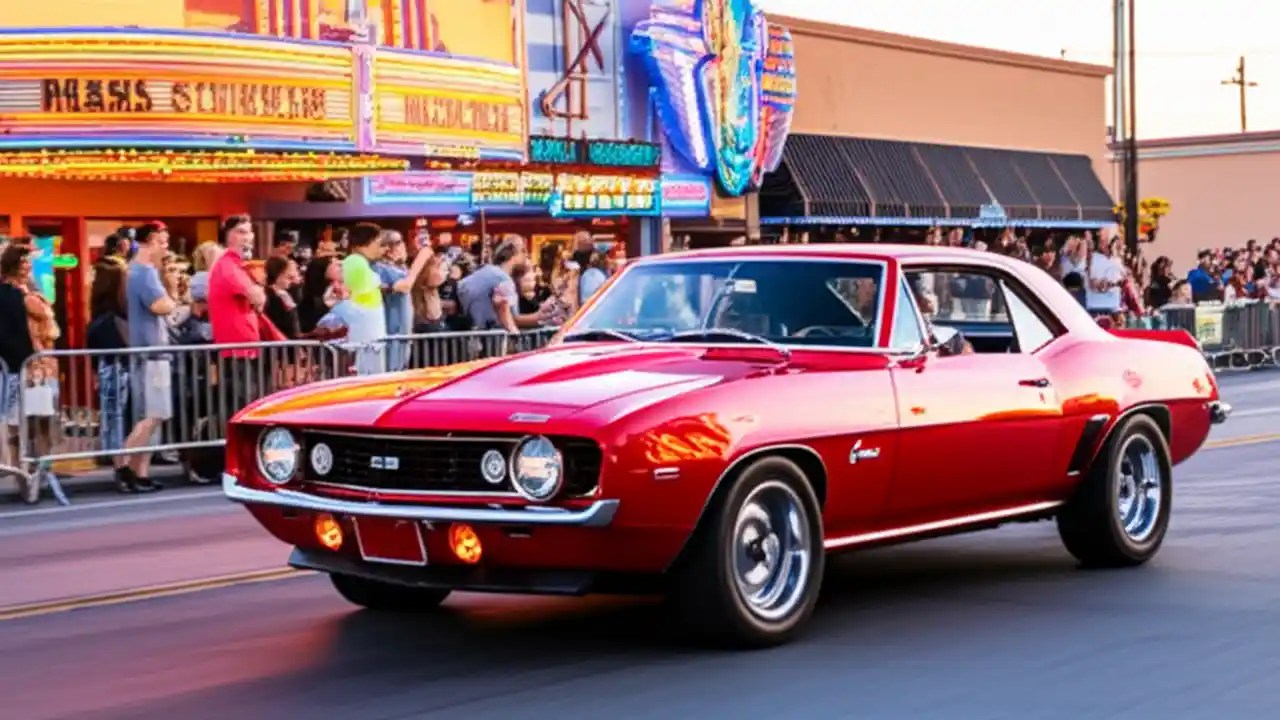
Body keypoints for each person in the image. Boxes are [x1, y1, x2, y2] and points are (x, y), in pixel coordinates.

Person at [122, 222, 174, 493]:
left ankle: (140, 472)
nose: (166, 248)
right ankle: (123, 463)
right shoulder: (145, 273)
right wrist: (172, 294)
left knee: (151, 415)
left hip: (148, 350)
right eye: (164, 242)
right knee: (155, 414)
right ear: (152, 241)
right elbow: (160, 305)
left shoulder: (135, 270)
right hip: (152, 351)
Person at [457, 235, 524, 333]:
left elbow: (461, 287)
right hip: (496, 333)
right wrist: (539, 317)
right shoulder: (504, 279)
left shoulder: (481, 272)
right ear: (515, 256)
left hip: (474, 330)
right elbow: (513, 316)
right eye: (523, 252)